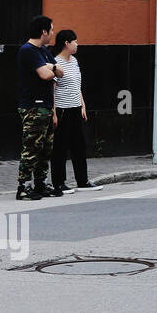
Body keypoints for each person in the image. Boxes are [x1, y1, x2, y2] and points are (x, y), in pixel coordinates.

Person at [16, 15, 63, 200]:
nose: (52, 33)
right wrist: (51, 68)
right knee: (32, 147)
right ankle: (23, 186)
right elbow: (45, 75)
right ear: (43, 32)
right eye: (51, 30)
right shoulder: (28, 51)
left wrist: (50, 66)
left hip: (46, 106)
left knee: (45, 148)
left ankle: (40, 184)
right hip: (32, 107)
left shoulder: (44, 51)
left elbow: (61, 71)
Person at [51, 30, 99, 193]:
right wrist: (54, 112)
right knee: (60, 147)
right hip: (63, 110)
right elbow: (53, 89)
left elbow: (77, 86)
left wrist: (83, 105)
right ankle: (58, 183)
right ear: (67, 43)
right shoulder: (56, 62)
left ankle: (82, 181)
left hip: (75, 109)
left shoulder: (75, 61)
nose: (77, 44)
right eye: (75, 41)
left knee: (79, 145)